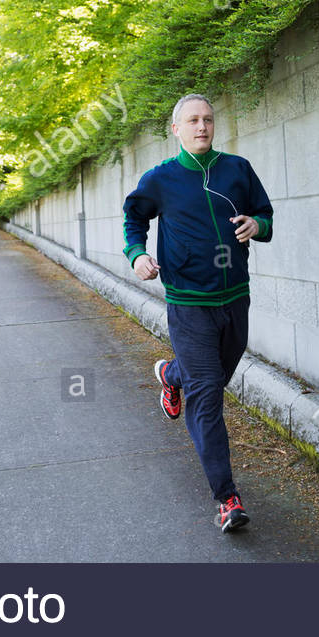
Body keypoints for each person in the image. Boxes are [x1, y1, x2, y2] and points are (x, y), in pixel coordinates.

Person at [122, 93, 274, 532]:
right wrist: (136, 254)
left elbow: (264, 214)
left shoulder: (237, 169)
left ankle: (172, 375)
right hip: (188, 303)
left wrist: (256, 226)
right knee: (207, 396)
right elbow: (134, 218)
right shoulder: (161, 180)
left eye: (208, 119)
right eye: (192, 120)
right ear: (177, 130)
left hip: (235, 298)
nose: (202, 127)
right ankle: (227, 498)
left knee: (211, 376)